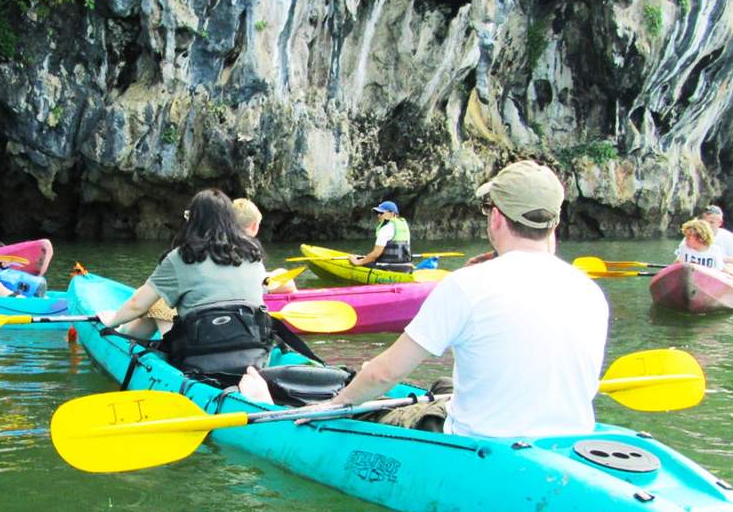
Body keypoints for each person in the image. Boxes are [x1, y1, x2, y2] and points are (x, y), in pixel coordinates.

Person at [247, 160, 608, 438]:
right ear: (554, 222)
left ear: (496, 217)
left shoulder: (467, 285)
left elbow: (384, 373)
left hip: (479, 444)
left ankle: (263, 404)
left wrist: (335, 405)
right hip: (565, 439)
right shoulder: (591, 292)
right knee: (443, 388)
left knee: (365, 409)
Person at [98, 189, 271, 388]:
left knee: (158, 305)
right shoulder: (252, 254)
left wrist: (111, 320)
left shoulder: (182, 257)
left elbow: (138, 305)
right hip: (254, 355)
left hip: (199, 359)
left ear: (194, 221)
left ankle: (122, 334)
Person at [232, 197, 298, 293]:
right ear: (254, 226)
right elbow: (262, 283)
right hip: (250, 290)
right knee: (288, 282)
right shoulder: (249, 247)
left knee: (280, 272)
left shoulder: (217, 245)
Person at [349, 200, 411, 266]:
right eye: (377, 212)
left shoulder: (386, 229)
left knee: (360, 262)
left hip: (387, 267)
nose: (378, 215)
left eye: (381, 213)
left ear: (392, 214)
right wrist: (366, 258)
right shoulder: (404, 226)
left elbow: (376, 254)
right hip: (406, 266)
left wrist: (358, 262)